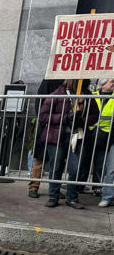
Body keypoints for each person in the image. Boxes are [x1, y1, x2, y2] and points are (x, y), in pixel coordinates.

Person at [40, 79, 97, 209]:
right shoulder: (57, 94)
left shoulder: (87, 95)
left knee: (75, 168)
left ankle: (72, 198)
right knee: (56, 167)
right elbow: (43, 115)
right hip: (57, 136)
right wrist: (64, 118)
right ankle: (53, 196)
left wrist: (82, 121)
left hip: (78, 135)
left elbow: (95, 115)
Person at [72, 77, 113, 201]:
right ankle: (80, 185)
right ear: (103, 84)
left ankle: (97, 187)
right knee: (84, 160)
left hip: (106, 134)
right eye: (112, 82)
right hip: (89, 132)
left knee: (100, 162)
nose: (113, 84)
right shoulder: (92, 95)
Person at [27, 78, 65, 198]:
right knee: (40, 159)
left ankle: (52, 189)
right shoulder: (49, 81)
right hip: (47, 126)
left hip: (55, 126)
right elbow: (40, 104)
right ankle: (34, 187)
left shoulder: (53, 81)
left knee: (56, 161)